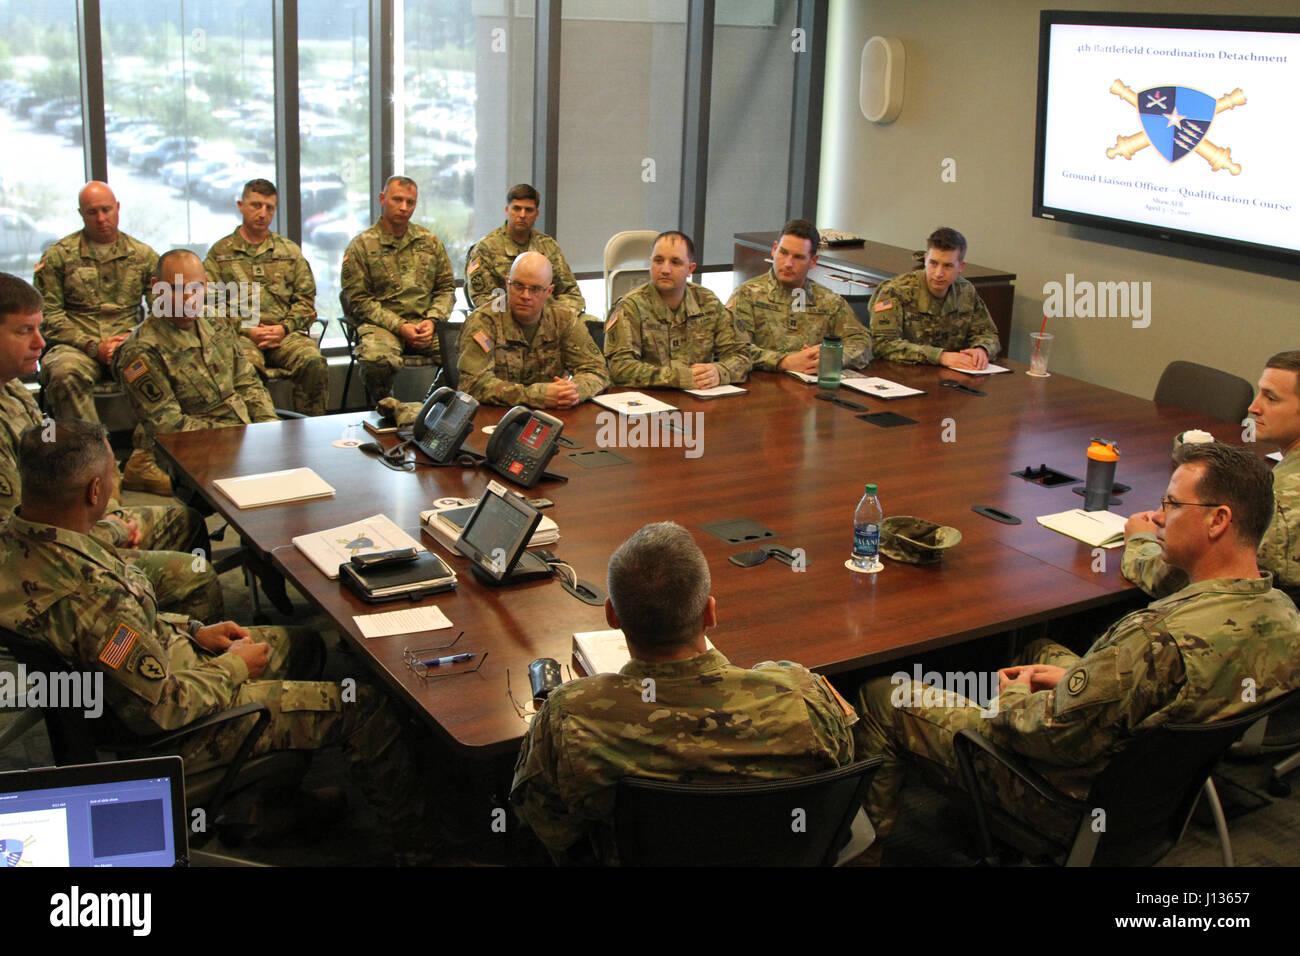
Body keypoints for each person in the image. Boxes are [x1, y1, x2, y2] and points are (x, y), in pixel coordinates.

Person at [0, 420, 432, 858]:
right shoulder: (92, 596)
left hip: (134, 679)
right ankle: (418, 849)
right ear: (95, 492)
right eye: (112, 477)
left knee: (305, 646)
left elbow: (129, 629)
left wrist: (193, 630)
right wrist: (234, 668)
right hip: (166, 727)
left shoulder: (23, 542)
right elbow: (163, 706)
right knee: (365, 706)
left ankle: (269, 805)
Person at [855, 442, 1300, 844]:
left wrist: (1014, 691)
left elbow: (1038, 732)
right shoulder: (1283, 614)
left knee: (883, 694)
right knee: (1036, 648)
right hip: (1150, 795)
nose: (1160, 516)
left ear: (1219, 519)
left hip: (1063, 796)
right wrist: (1078, 681)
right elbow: (1167, 694)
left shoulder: (1152, 639)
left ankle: (868, 855)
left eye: (1172, 504)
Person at [511, 521, 858, 864]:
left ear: (612, 615)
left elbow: (549, 826)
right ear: (710, 612)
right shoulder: (803, 699)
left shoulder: (569, 720)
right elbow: (839, 775)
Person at [0, 272, 218, 620]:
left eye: (38, 329)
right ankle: (168, 657)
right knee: (194, 576)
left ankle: (154, 624)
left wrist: (108, 512)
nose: (40, 343)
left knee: (187, 521)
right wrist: (112, 529)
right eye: (24, 331)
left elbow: (57, 479)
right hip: (37, 569)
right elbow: (19, 539)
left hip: (68, 525)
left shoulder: (11, 391)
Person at [1123, 351, 1300, 596]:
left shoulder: (1277, 499)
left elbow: (1174, 580)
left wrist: (1140, 541)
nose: (1253, 407)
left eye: (1271, 398)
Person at [32, 181, 159, 490]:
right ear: (81, 214)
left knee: (159, 367)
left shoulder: (143, 255)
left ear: (118, 208)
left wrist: (131, 337)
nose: (101, 219)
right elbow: (49, 317)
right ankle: (98, 470)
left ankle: (144, 461)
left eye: (106, 210)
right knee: (63, 373)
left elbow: (164, 311)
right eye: (92, 212)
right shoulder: (60, 256)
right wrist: (93, 346)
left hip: (127, 344)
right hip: (76, 345)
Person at [114, 249, 278, 458]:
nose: (189, 299)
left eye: (196, 288)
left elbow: (247, 382)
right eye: (177, 289)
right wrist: (236, 439)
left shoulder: (216, 321)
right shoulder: (139, 351)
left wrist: (269, 428)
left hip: (244, 441)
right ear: (157, 287)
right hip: (194, 452)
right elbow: (168, 426)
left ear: (206, 284)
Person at [204, 179, 327, 416]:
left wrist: (283, 328)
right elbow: (210, 306)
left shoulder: (288, 252)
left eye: (269, 208)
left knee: (313, 361)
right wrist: (246, 329)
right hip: (241, 336)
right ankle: (255, 434)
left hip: (284, 335)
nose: (263, 214)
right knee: (245, 367)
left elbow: (305, 300)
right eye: (256, 205)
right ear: (241, 205)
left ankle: (311, 430)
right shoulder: (220, 254)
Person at [339, 176, 456, 401]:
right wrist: (401, 326)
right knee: (376, 360)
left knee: (467, 355)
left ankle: (431, 407)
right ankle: (388, 411)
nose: (404, 208)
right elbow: (359, 301)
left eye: (410, 202)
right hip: (383, 328)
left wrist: (432, 321)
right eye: (397, 200)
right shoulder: (361, 246)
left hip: (425, 325)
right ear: (383, 199)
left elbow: (446, 289)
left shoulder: (429, 242)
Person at [457, 251, 609, 408]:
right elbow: (473, 384)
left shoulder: (563, 318)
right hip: (495, 418)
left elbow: (597, 370)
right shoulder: (484, 321)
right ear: (508, 284)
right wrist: (538, 395)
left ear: (549, 291)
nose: (526, 295)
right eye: (518, 286)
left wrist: (572, 391)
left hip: (551, 416)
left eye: (535, 289)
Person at [603, 231, 751, 389]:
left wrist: (719, 372)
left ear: (690, 269)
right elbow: (620, 369)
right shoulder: (631, 307)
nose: (665, 269)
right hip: (647, 403)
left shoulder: (708, 302)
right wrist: (680, 378)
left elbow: (741, 355)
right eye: (658, 261)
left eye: (675, 262)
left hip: (700, 400)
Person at [730, 219, 871, 374]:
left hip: (812, 388)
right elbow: (735, 349)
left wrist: (834, 357)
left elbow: (862, 343)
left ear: (813, 261)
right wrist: (784, 362)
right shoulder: (747, 294)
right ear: (774, 250)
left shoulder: (829, 301)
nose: (788, 263)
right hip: (764, 387)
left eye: (798, 257)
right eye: (783, 253)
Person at [867, 226, 1000, 369]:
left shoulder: (965, 291)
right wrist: (940, 356)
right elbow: (882, 344)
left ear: (961, 266)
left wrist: (982, 349)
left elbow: (988, 334)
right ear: (925, 260)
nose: (938, 273)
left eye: (947, 266)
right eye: (933, 263)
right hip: (901, 374)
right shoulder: (895, 291)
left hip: (951, 376)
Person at [465, 184, 586, 316]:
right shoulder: (485, 249)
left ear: (537, 214)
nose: (522, 215)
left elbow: (571, 293)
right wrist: (526, 314)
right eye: (517, 209)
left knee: (592, 324)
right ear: (507, 210)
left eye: (528, 210)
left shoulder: (548, 246)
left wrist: (554, 316)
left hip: (550, 320)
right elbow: (483, 300)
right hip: (503, 321)